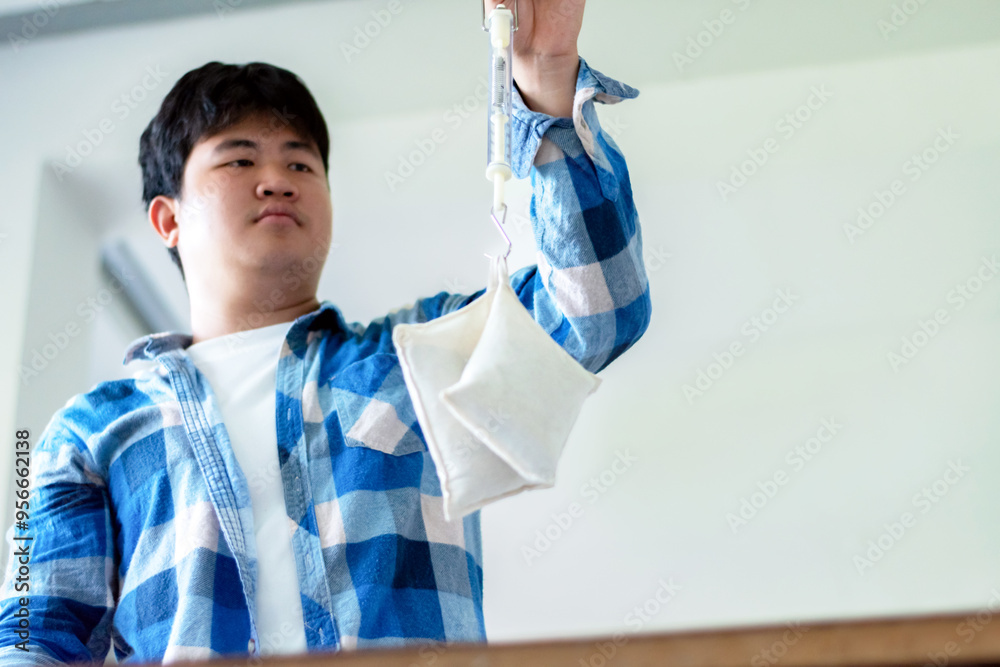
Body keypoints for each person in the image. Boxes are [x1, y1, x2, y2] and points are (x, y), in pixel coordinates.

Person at [0, 0, 651, 663]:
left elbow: (597, 308)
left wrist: (544, 73)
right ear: (167, 219)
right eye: (239, 160)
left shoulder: (419, 351)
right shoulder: (81, 434)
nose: (277, 180)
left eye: (302, 164)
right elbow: (29, 633)